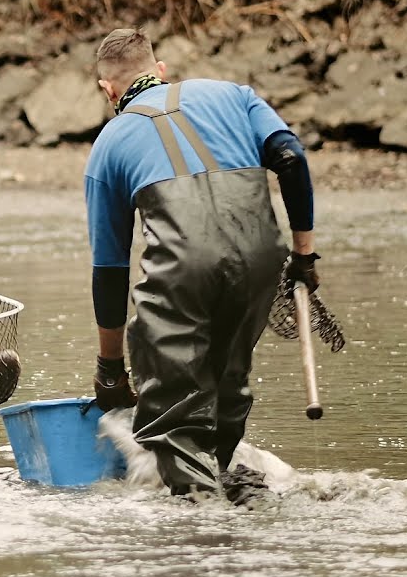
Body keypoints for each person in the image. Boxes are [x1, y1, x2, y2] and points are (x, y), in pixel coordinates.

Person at [84, 27, 321, 503]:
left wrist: (110, 367)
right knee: (227, 386)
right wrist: (303, 256)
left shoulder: (108, 144)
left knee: (173, 413)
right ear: (161, 70)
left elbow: (109, 268)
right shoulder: (233, 94)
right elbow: (291, 158)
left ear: (108, 91)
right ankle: (232, 495)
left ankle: (197, 524)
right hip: (261, 255)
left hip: (182, 267)